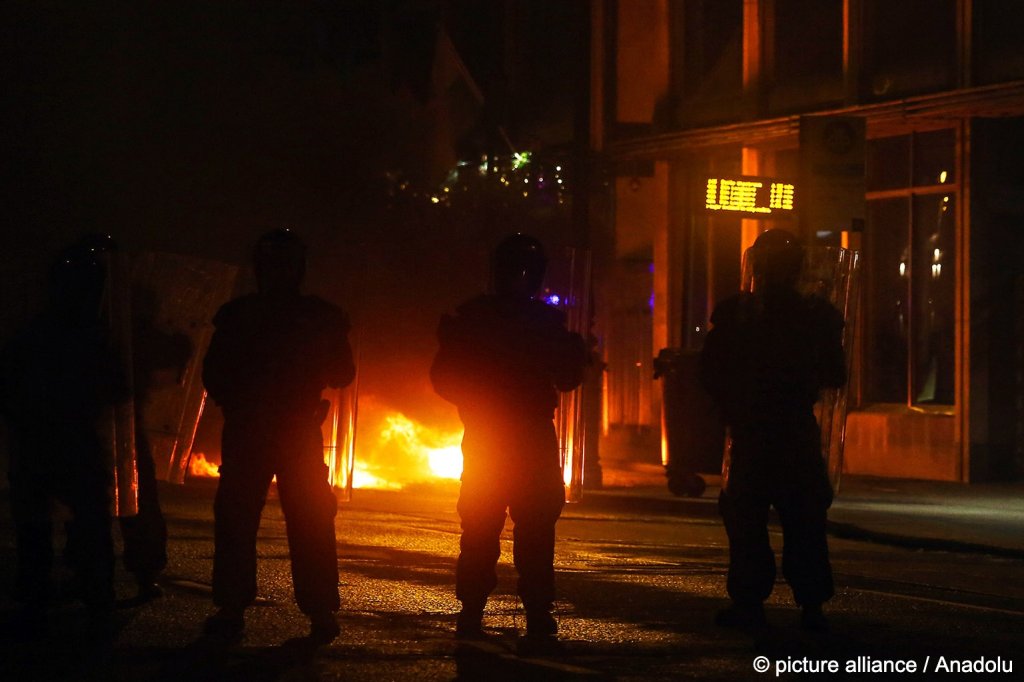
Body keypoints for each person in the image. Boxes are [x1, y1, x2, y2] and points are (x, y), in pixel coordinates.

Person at [430, 233, 588, 642]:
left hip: (495, 432)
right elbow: (569, 377)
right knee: (515, 525)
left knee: (490, 522)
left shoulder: (475, 316)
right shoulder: (535, 321)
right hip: (519, 433)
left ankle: (483, 612)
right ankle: (521, 612)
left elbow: (444, 378)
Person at [201, 229, 355, 643]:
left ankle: (239, 607)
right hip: (288, 429)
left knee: (251, 517)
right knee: (302, 518)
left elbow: (214, 375)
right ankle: (317, 611)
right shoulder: (318, 315)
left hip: (262, 429)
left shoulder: (239, 314)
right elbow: (344, 373)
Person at [699, 228, 846, 633]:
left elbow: (711, 373)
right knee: (804, 521)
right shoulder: (815, 318)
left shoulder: (739, 315)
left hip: (754, 431)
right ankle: (811, 607)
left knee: (747, 520)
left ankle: (750, 603)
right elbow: (836, 373)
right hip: (794, 431)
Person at [1, 238, 129, 637]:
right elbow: (118, 388)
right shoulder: (91, 338)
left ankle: (45, 597)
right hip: (69, 439)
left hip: (43, 439)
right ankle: (93, 598)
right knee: (79, 520)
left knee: (41, 522)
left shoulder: (36, 333)